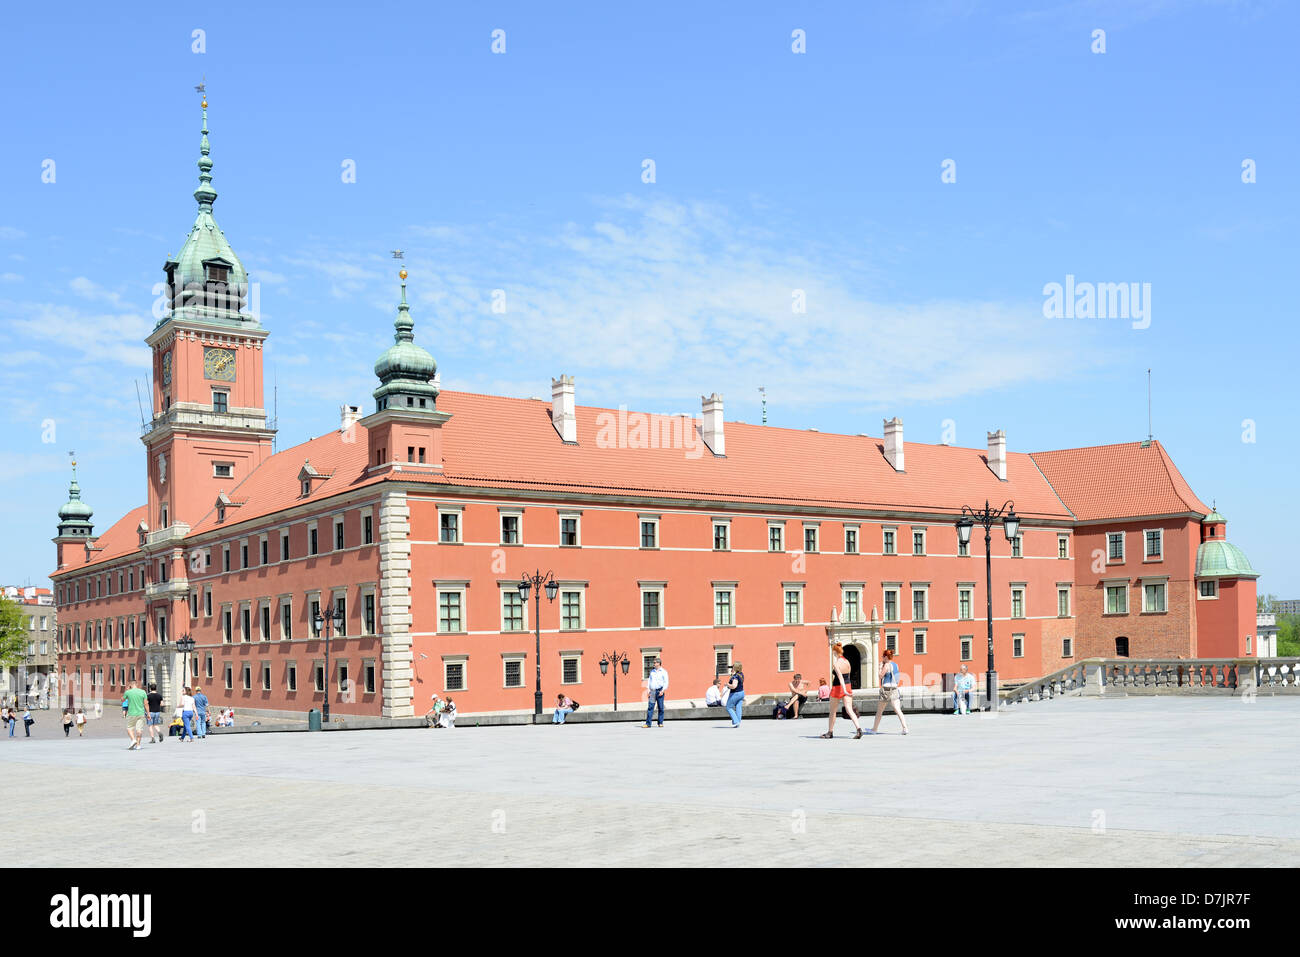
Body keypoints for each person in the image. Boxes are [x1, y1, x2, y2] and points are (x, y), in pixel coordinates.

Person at [821, 643, 864, 739]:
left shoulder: (836, 663)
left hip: (838, 687)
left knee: (833, 711)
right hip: (848, 685)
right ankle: (859, 729)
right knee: (849, 709)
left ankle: (830, 732)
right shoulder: (847, 661)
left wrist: (843, 690)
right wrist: (847, 689)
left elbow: (840, 678)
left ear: (835, 652)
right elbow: (847, 676)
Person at [872, 648, 909, 735]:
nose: (882, 658)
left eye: (883, 656)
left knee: (879, 711)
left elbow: (880, 676)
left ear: (885, 657)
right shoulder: (896, 665)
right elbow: (897, 678)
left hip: (886, 690)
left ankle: (874, 729)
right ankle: (905, 728)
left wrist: (880, 667)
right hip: (894, 689)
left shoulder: (886, 665)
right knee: (898, 709)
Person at [123, 679, 148, 751]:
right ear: (137, 684)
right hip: (141, 713)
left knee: (129, 728)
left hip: (131, 713)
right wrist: (148, 713)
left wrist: (127, 691)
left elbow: (122, 700)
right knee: (139, 730)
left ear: (130, 685)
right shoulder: (143, 692)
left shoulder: (128, 692)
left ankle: (133, 740)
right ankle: (138, 745)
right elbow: (146, 704)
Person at [643, 657, 669, 728]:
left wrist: (663, 691)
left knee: (660, 707)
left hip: (660, 690)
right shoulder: (652, 672)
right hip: (652, 691)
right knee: (650, 707)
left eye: (654, 663)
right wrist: (648, 690)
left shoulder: (664, 672)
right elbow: (649, 681)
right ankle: (648, 724)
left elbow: (666, 682)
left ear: (658, 663)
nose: (653, 664)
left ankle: (660, 722)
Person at [724, 662, 745, 726]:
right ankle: (738, 722)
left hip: (735, 693)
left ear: (735, 667)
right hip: (741, 692)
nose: (732, 668)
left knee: (728, 707)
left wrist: (727, 684)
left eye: (733, 667)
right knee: (738, 707)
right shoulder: (741, 674)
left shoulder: (735, 676)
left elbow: (734, 686)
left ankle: (736, 722)